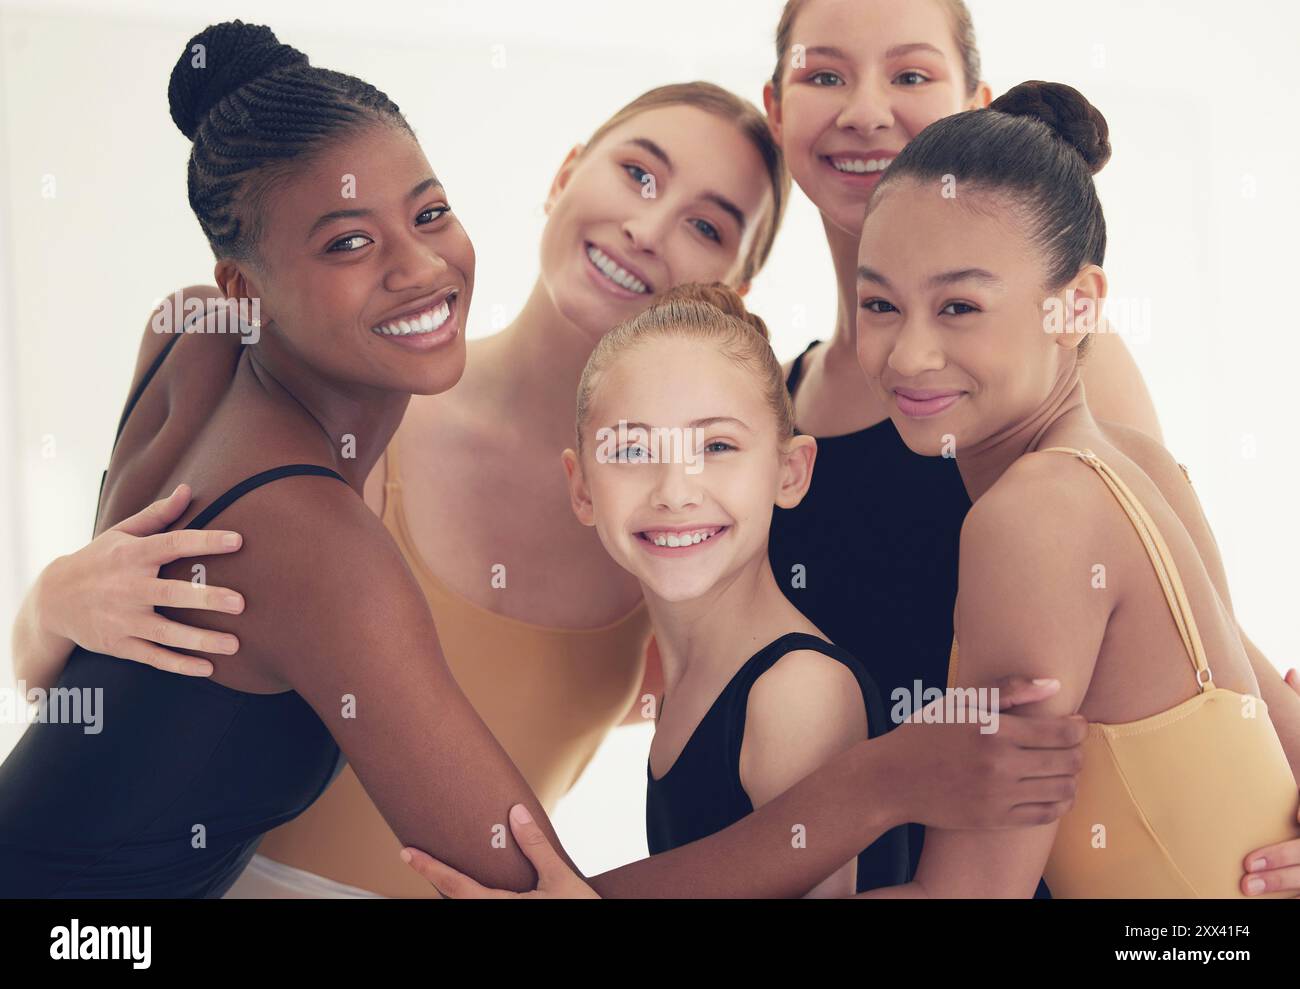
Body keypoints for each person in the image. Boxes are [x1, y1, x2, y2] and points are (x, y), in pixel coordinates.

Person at [0, 20, 1089, 900]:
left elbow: (811, 658)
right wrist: (46, 602)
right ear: (567, 170)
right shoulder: (238, 384)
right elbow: (108, 672)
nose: (650, 229)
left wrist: (1245, 746)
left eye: (711, 227)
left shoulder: (665, 527)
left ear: (731, 292)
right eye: (638, 171)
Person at [565, 282, 908, 895]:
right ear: (582, 487)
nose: (674, 490)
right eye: (634, 449)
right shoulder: (689, 683)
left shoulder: (795, 695)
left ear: (790, 471)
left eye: (716, 446)